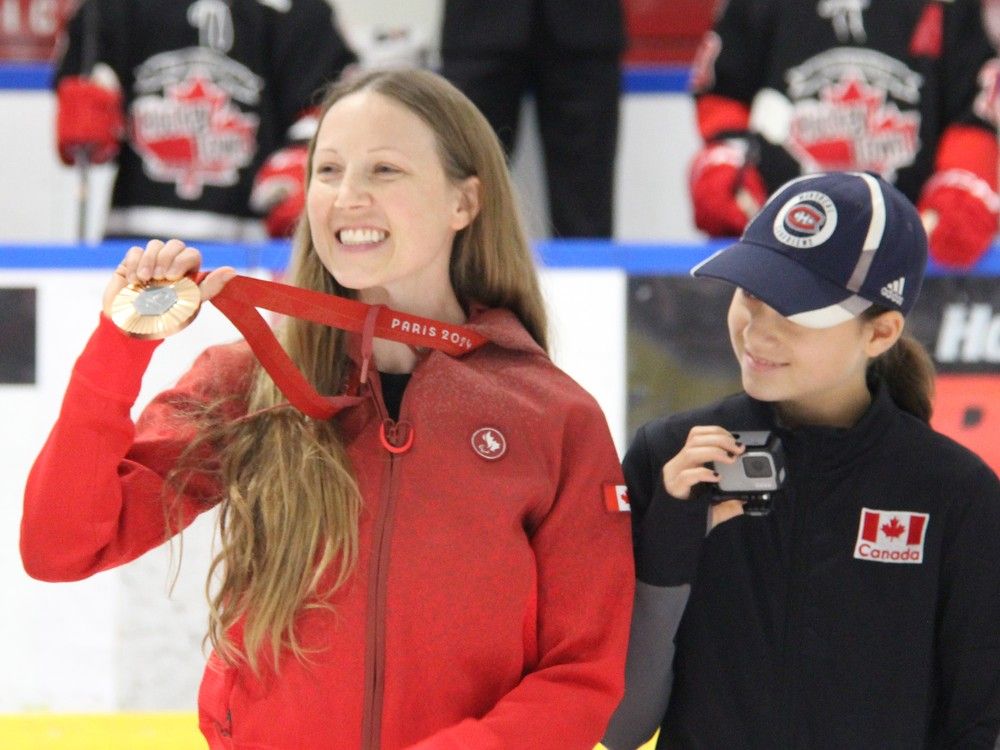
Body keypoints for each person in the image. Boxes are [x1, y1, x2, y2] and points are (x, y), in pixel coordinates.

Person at [21, 68, 634, 748]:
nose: (348, 198)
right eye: (330, 169)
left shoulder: (553, 417)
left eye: (385, 170)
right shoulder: (248, 380)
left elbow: (584, 673)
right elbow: (61, 546)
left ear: (465, 202)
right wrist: (120, 349)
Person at [603, 171, 1000, 749]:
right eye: (750, 295)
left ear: (881, 332)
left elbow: (979, 722)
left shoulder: (956, 496)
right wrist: (665, 551)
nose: (758, 333)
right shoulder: (667, 460)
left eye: (797, 311)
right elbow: (617, 729)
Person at [688, 0, 1000, 268]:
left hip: (904, 261)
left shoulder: (953, 8)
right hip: (783, 251)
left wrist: (958, 193)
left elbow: (972, 113)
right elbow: (725, 94)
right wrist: (729, 171)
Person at [53, 0, 356, 240]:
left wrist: (305, 162)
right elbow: (88, 65)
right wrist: (88, 100)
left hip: (250, 248)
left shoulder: (299, 12)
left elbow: (325, 101)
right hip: (134, 237)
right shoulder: (116, 7)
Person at [439, 0, 625, 238]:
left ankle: (587, 273)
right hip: (478, 27)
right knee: (465, 186)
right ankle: (462, 274)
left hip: (586, 26)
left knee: (586, 206)